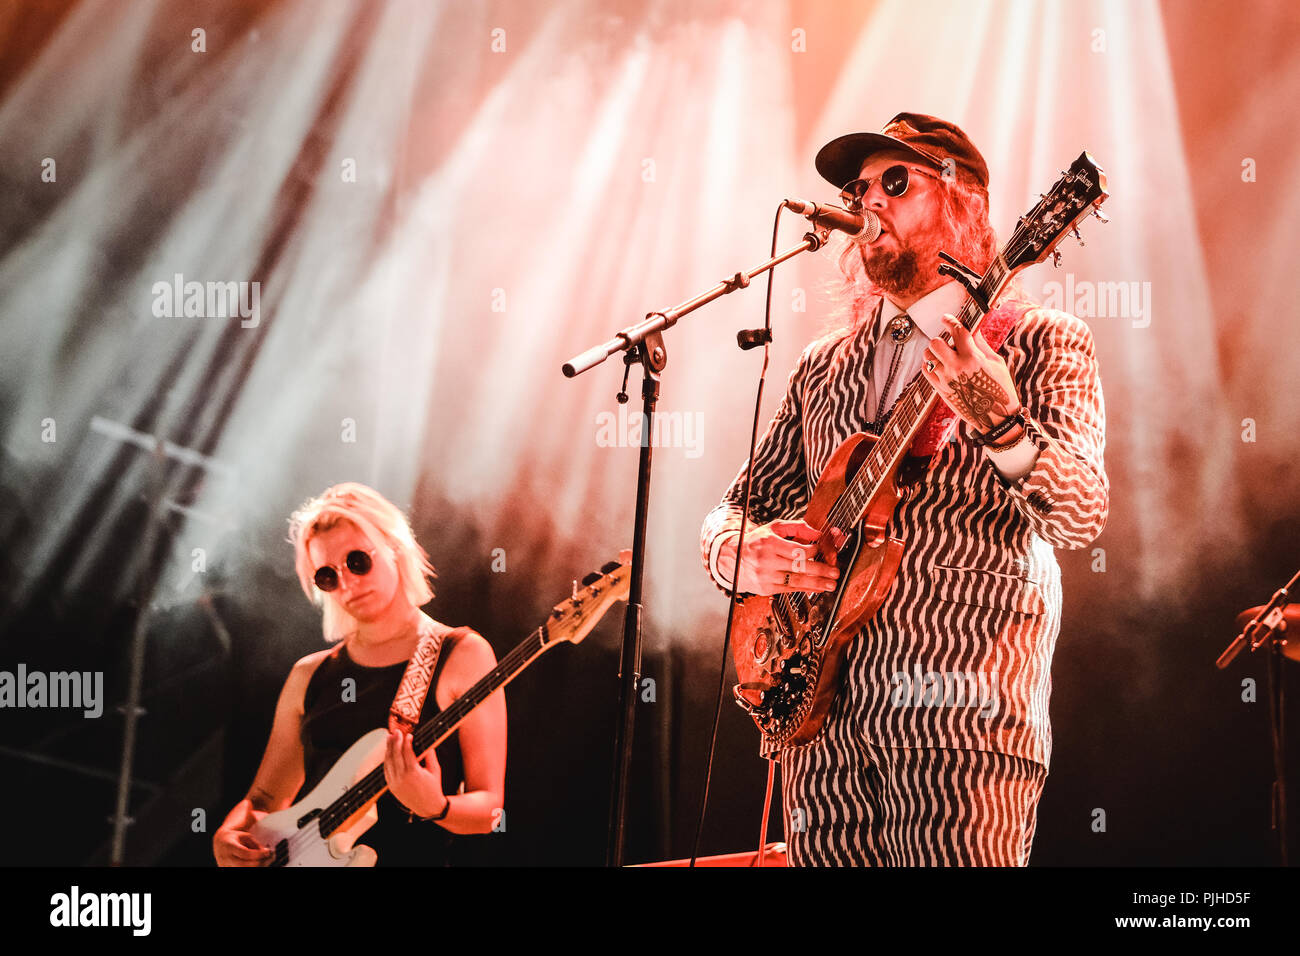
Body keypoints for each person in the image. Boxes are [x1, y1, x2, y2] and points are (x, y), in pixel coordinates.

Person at [700, 113, 1107, 866]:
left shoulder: (1041, 339)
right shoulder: (825, 366)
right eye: (859, 190)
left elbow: (1082, 512)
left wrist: (1002, 420)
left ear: (965, 202)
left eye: (896, 182)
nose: (868, 204)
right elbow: (742, 502)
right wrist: (735, 551)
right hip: (821, 722)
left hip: (962, 719)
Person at [214, 482, 506, 866]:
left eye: (357, 561)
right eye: (327, 576)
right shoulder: (309, 674)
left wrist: (437, 807)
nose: (347, 583)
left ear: (395, 548)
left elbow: (490, 809)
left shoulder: (462, 654)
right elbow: (264, 800)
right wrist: (227, 834)